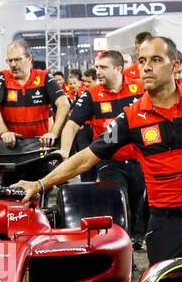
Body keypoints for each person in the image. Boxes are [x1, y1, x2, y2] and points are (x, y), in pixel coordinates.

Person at [13, 35, 182, 271]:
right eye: (142, 60)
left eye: (156, 60)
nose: (146, 67)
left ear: (175, 65)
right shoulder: (131, 117)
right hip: (165, 225)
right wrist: (40, 184)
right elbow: (87, 157)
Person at [60, 52, 146, 239]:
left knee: (140, 205)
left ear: (119, 69)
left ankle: (138, 239)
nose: (98, 71)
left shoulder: (140, 89)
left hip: (140, 161)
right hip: (109, 162)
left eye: (103, 67)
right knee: (118, 204)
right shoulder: (90, 95)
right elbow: (72, 124)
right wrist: (64, 152)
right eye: (97, 67)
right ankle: (123, 250)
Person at [0, 40, 69, 147]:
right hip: (12, 146)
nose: (13, 64)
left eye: (17, 60)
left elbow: (64, 103)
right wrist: (4, 131)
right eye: (10, 61)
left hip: (40, 145)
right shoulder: (3, 77)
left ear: (29, 58)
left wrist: (54, 133)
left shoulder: (44, 76)